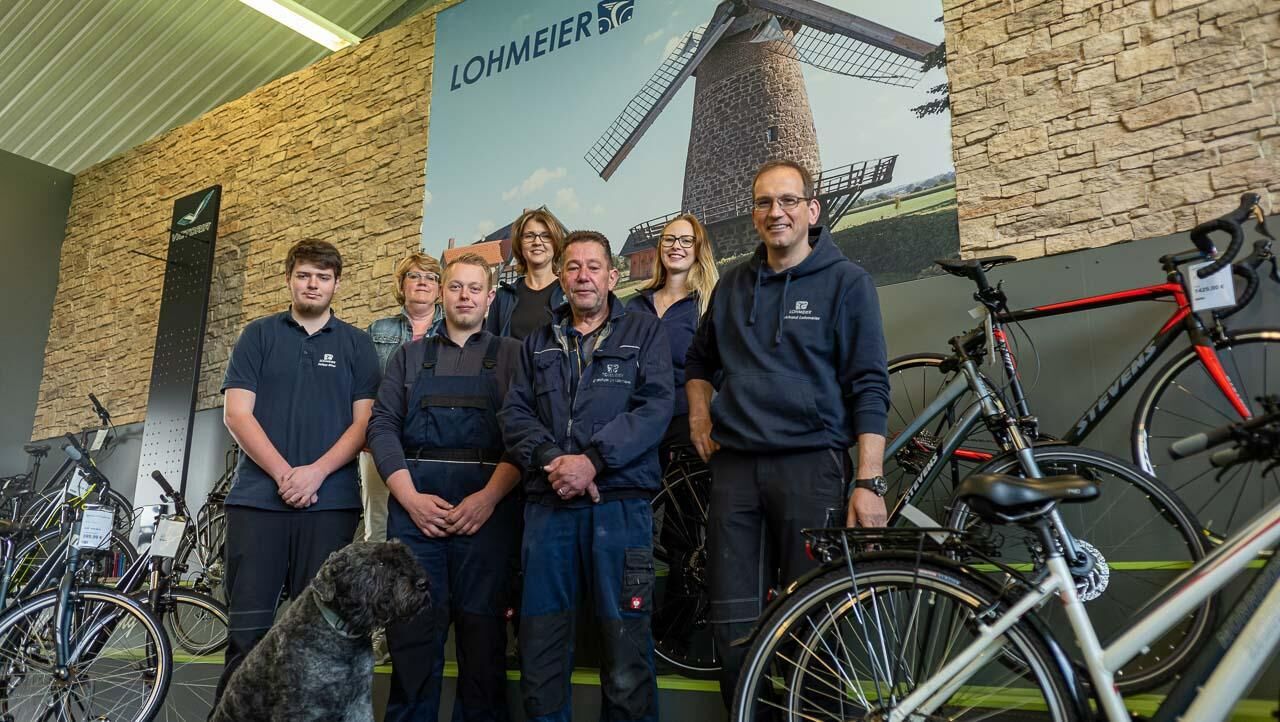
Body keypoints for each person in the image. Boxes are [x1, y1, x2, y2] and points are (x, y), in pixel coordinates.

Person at [684, 159, 891, 708]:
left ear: (811, 210)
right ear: (754, 214)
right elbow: (699, 361)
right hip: (736, 472)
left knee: (815, 635)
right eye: (764, 202)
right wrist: (700, 417)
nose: (776, 212)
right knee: (734, 634)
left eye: (788, 201)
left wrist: (869, 482)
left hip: (812, 468)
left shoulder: (848, 283)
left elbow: (871, 386)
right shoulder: (732, 285)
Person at [500, 231, 673, 722]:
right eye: (573, 267)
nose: (583, 276)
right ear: (561, 278)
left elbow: (655, 407)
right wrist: (555, 460)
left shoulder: (644, 333)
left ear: (612, 276)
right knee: (541, 651)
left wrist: (593, 461)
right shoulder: (537, 344)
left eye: (593, 267)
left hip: (618, 507)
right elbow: (515, 415)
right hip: (548, 508)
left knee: (625, 653)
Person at [216, 239, 380, 705]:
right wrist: (285, 473)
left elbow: (364, 424)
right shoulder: (258, 335)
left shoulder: (357, 344)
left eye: (323, 277)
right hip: (257, 503)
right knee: (247, 636)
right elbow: (237, 414)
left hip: (329, 505)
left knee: (322, 640)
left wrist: (316, 474)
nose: (313, 284)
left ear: (336, 284)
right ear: (288, 279)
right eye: (304, 275)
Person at [367, 253, 524, 721]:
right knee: (412, 642)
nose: (465, 297)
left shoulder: (513, 356)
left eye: (475, 288)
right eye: (455, 287)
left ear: (490, 297)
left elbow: (526, 435)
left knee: (483, 646)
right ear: (441, 293)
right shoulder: (409, 357)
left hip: (488, 519)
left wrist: (488, 498)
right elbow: (381, 427)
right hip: (416, 522)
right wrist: (410, 499)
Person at [624, 213, 719, 656]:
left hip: (685, 422)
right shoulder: (636, 305)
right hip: (638, 424)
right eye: (668, 239)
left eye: (686, 240)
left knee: (681, 532)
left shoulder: (707, 304)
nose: (676, 246)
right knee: (632, 522)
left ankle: (676, 630)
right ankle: (628, 622)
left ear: (698, 249)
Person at [361, 252, 445, 543]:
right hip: (380, 441)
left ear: (439, 288)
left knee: (429, 525)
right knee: (378, 529)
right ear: (401, 284)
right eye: (414, 275)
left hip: (433, 445)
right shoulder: (377, 330)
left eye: (431, 277)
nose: (423, 282)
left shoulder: (453, 329)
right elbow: (363, 387)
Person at [486, 208, 566, 340]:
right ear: (520, 244)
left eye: (546, 236)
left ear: (555, 243)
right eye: (529, 236)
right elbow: (490, 346)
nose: (537, 242)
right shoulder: (503, 297)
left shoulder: (568, 293)